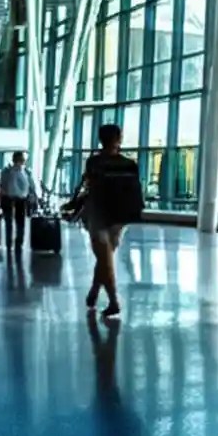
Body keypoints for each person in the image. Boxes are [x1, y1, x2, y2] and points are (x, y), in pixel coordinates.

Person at [71, 124, 143, 319]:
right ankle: (96, 291)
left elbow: (90, 187)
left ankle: (113, 301)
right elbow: (135, 193)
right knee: (106, 256)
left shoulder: (94, 162)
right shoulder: (129, 164)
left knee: (104, 256)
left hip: (98, 213)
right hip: (118, 216)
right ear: (119, 138)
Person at [0, 151, 37, 253]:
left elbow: (2, 186)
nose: (22, 162)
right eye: (21, 160)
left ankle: (13, 243)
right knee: (16, 223)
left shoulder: (12, 172)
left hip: (14, 200)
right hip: (14, 200)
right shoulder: (21, 172)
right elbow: (30, 186)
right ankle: (15, 244)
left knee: (13, 223)